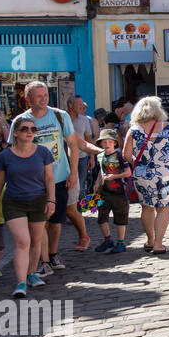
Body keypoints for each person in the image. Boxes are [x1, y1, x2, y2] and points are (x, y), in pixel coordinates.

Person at [10, 80, 95, 275]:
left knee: (56, 221)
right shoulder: (20, 121)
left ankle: (53, 254)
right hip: (33, 182)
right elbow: (13, 150)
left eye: (46, 95)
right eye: (38, 96)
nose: (43, 99)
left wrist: (73, 172)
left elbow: (73, 145)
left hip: (59, 177)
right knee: (40, 222)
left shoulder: (60, 115)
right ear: (27, 98)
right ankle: (43, 260)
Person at [0, 115, 55, 297]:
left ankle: (31, 273)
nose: (30, 132)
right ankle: (20, 282)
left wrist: (51, 200)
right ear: (15, 133)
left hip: (39, 201)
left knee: (35, 241)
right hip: (14, 202)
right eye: (25, 129)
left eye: (33, 130)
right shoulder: (5, 156)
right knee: (23, 241)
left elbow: (49, 179)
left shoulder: (42, 152)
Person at [123, 96, 169, 255]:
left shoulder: (134, 130)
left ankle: (150, 241)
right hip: (166, 174)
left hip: (142, 174)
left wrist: (138, 164)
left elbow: (126, 154)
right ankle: (159, 244)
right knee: (164, 208)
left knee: (147, 206)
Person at [92, 128, 131, 254]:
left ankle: (120, 243)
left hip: (119, 193)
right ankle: (107, 239)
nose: (107, 144)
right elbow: (101, 171)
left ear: (115, 143)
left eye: (110, 141)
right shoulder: (100, 156)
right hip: (104, 192)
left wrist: (114, 176)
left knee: (120, 218)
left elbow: (128, 173)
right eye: (104, 142)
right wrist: (97, 182)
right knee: (101, 217)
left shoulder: (120, 156)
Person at [65, 94, 95, 251]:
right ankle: (71, 210)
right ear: (70, 105)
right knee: (69, 186)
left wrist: (92, 157)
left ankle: (78, 212)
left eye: (82, 104)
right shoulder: (63, 119)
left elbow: (88, 139)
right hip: (65, 159)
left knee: (81, 185)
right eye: (79, 104)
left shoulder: (84, 120)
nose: (82, 106)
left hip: (82, 158)